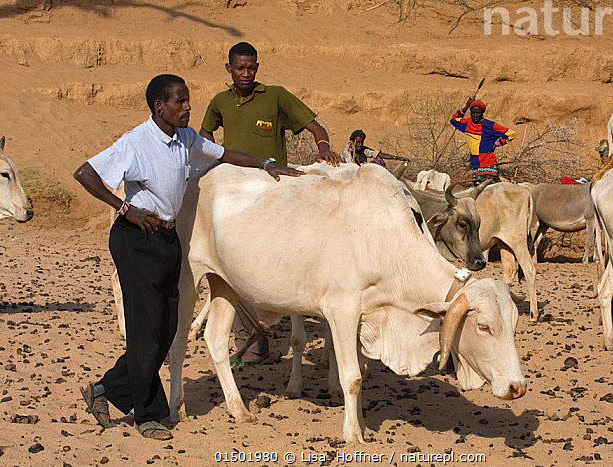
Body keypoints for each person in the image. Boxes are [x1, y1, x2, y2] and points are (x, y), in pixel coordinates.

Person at [74, 74, 303, 440]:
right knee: (147, 332)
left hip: (167, 237)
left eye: (188, 100)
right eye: (180, 102)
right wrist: (124, 208)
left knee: (166, 330)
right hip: (136, 239)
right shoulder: (135, 143)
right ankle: (148, 416)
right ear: (159, 107)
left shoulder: (185, 138)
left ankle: (103, 389)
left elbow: (225, 154)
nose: (188, 107)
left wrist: (265, 165)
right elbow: (85, 173)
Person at [199, 41, 341, 366]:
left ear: (257, 68)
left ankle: (267, 329)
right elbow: (204, 133)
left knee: (275, 262)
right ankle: (254, 338)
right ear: (229, 69)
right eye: (240, 68)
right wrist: (210, 160)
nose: (246, 74)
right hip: (234, 196)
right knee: (230, 265)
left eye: (251, 68)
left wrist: (323, 148)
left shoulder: (276, 96)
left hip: (273, 192)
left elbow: (315, 127)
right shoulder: (219, 101)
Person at [450, 98, 515, 186]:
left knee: (488, 191)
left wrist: (497, 143)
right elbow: (453, 120)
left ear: (482, 113)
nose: (475, 115)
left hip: (488, 164)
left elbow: (510, 134)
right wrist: (466, 106)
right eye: (473, 112)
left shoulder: (490, 125)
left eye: (478, 113)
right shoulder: (466, 124)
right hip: (475, 164)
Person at [341, 129, 409, 166]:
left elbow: (378, 154)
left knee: (379, 160)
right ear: (352, 141)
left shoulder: (363, 150)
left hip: (361, 172)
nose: (360, 144)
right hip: (349, 174)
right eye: (358, 142)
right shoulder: (347, 150)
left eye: (362, 142)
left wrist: (397, 158)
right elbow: (351, 165)